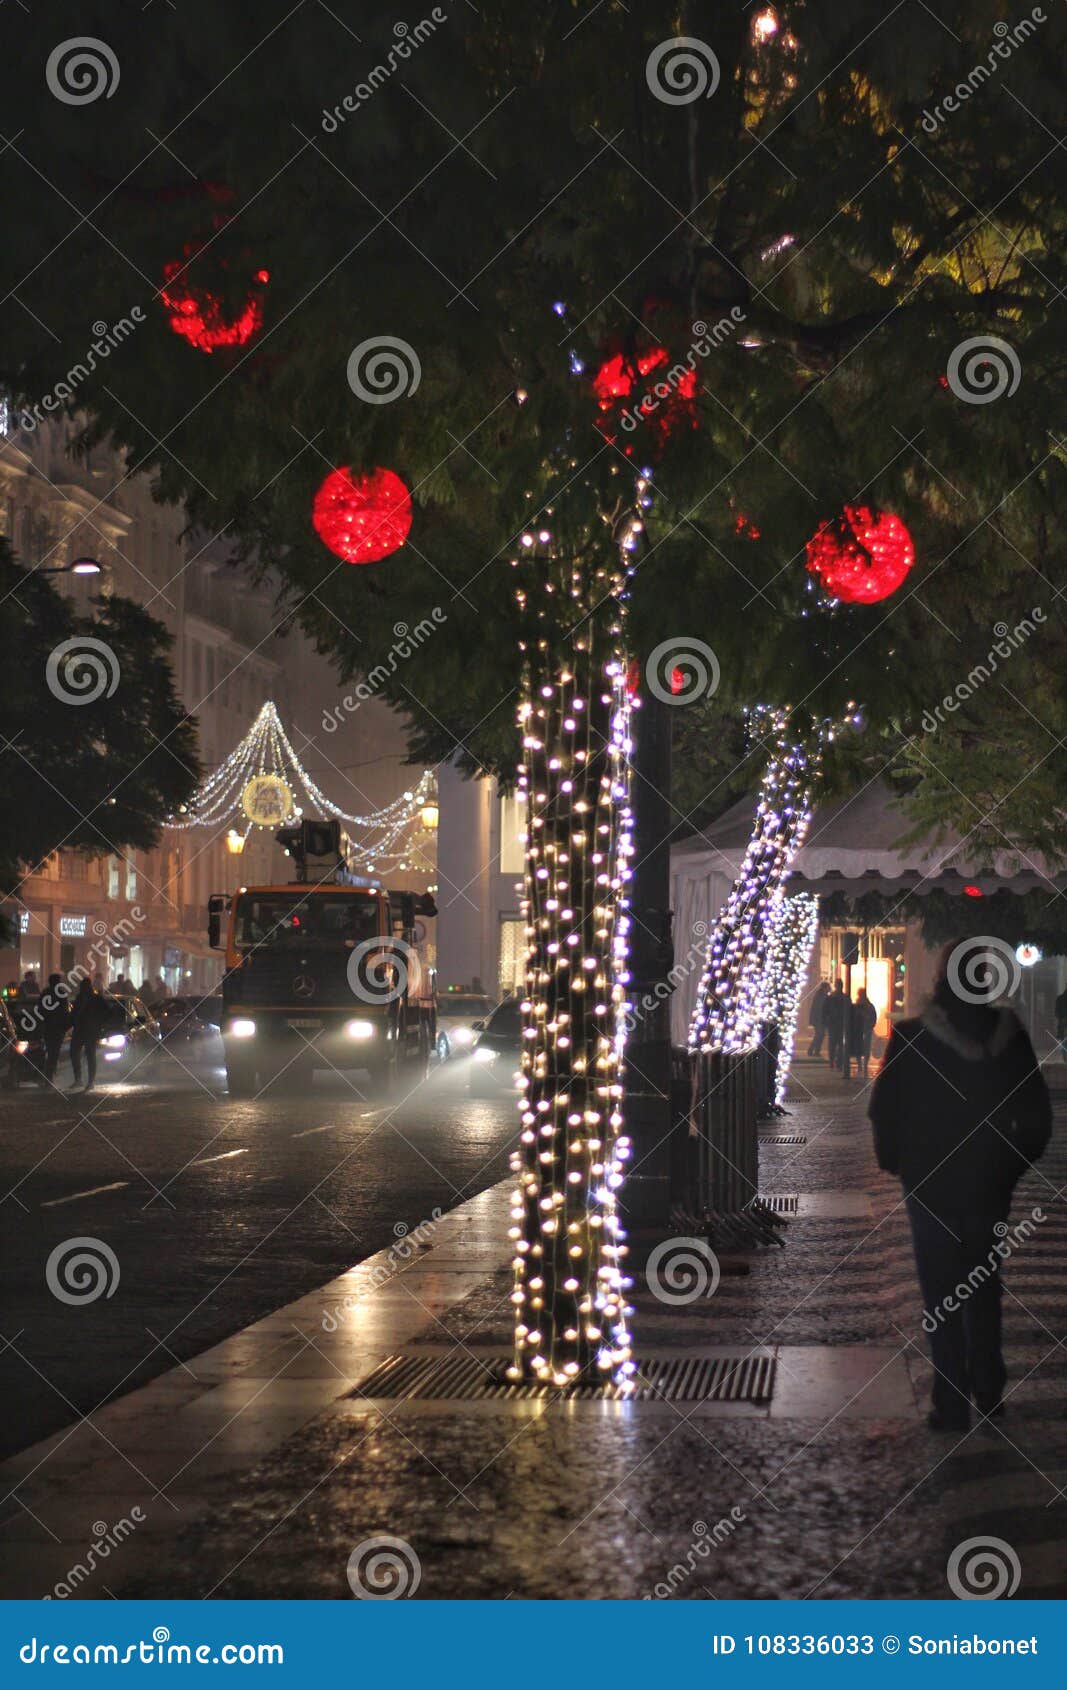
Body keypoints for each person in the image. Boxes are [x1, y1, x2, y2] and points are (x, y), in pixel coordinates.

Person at [869, 941, 1051, 1432]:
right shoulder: (1010, 1040)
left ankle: (950, 1400)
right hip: (989, 1182)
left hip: (929, 1184)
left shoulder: (911, 1037)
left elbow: (885, 1108)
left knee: (941, 1293)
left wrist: (898, 1162)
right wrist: (1011, 1165)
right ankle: (989, 1387)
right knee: (983, 1284)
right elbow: (1036, 1114)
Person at [69, 978, 108, 1094]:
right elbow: (74, 1013)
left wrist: (99, 1023)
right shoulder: (80, 998)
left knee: (89, 1055)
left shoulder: (95, 999)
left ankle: (89, 1081)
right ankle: (80, 1079)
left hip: (89, 1030)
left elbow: (107, 1012)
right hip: (81, 1030)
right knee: (75, 1053)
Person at [39, 973, 70, 1081]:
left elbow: (40, 1010)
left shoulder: (45, 993)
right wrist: (66, 1026)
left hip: (48, 1027)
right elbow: (65, 1012)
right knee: (54, 1052)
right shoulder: (61, 994)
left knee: (49, 1051)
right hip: (57, 1028)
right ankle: (49, 1075)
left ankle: (47, 1074)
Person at [850, 987, 878, 1081]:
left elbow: (872, 1018)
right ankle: (862, 1065)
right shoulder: (866, 1005)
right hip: (862, 1029)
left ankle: (862, 1065)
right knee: (863, 1047)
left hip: (863, 1029)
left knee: (863, 1047)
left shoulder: (864, 1006)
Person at [824, 979, 847, 1069]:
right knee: (836, 1044)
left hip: (837, 1024)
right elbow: (825, 1011)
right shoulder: (834, 998)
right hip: (835, 1024)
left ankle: (836, 1062)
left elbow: (825, 1011)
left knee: (836, 1044)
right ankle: (835, 1062)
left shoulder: (833, 998)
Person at [807, 981, 831, 1057]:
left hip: (819, 1019)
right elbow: (821, 1009)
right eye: (828, 987)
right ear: (825, 988)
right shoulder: (822, 996)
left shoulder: (820, 995)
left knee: (820, 1034)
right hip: (820, 1019)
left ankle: (815, 1050)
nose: (829, 989)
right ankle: (814, 1050)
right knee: (819, 1035)